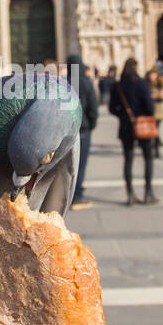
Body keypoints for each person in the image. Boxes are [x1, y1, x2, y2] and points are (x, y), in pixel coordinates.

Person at [109, 58, 156, 205]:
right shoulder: (142, 84)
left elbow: (112, 108)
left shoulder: (117, 86)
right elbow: (150, 108)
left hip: (126, 127)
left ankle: (130, 194)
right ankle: (148, 192)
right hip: (143, 126)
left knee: (128, 159)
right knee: (148, 158)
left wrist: (123, 116)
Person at [67, 53, 99, 210]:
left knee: (67, 165)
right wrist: (90, 125)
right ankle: (77, 196)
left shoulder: (62, 83)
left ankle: (67, 194)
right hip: (83, 130)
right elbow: (93, 109)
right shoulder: (86, 84)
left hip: (66, 131)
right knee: (80, 163)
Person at [147, 68, 163, 158]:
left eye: (154, 74)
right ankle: (153, 149)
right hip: (148, 111)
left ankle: (156, 150)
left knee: (155, 130)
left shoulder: (160, 84)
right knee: (152, 131)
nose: (152, 76)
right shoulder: (146, 84)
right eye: (151, 74)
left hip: (158, 111)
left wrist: (155, 95)